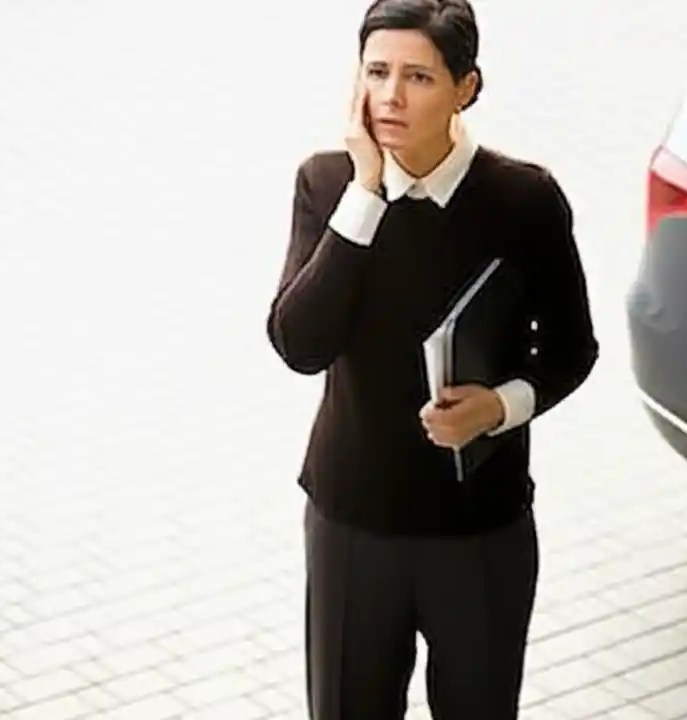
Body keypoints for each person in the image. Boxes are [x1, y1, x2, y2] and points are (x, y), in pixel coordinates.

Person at [266, 0, 598, 717]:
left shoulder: (523, 199)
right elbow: (299, 344)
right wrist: (365, 192)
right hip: (352, 523)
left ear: (465, 87)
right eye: (376, 71)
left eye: (417, 76)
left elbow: (573, 348)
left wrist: (499, 407)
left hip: (480, 531)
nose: (390, 95)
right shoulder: (326, 184)